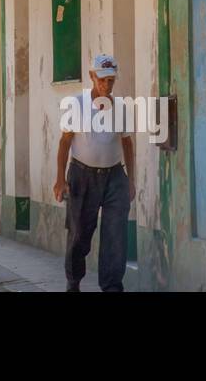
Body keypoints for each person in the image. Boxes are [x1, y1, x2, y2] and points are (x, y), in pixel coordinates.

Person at [53, 53, 135, 292]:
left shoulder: (120, 108)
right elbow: (64, 142)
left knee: (115, 235)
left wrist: (131, 180)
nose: (106, 85)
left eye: (111, 80)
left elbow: (127, 143)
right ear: (92, 76)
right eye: (102, 79)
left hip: (115, 177)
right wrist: (60, 179)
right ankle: (73, 281)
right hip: (82, 176)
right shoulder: (76, 104)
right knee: (79, 234)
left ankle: (112, 286)